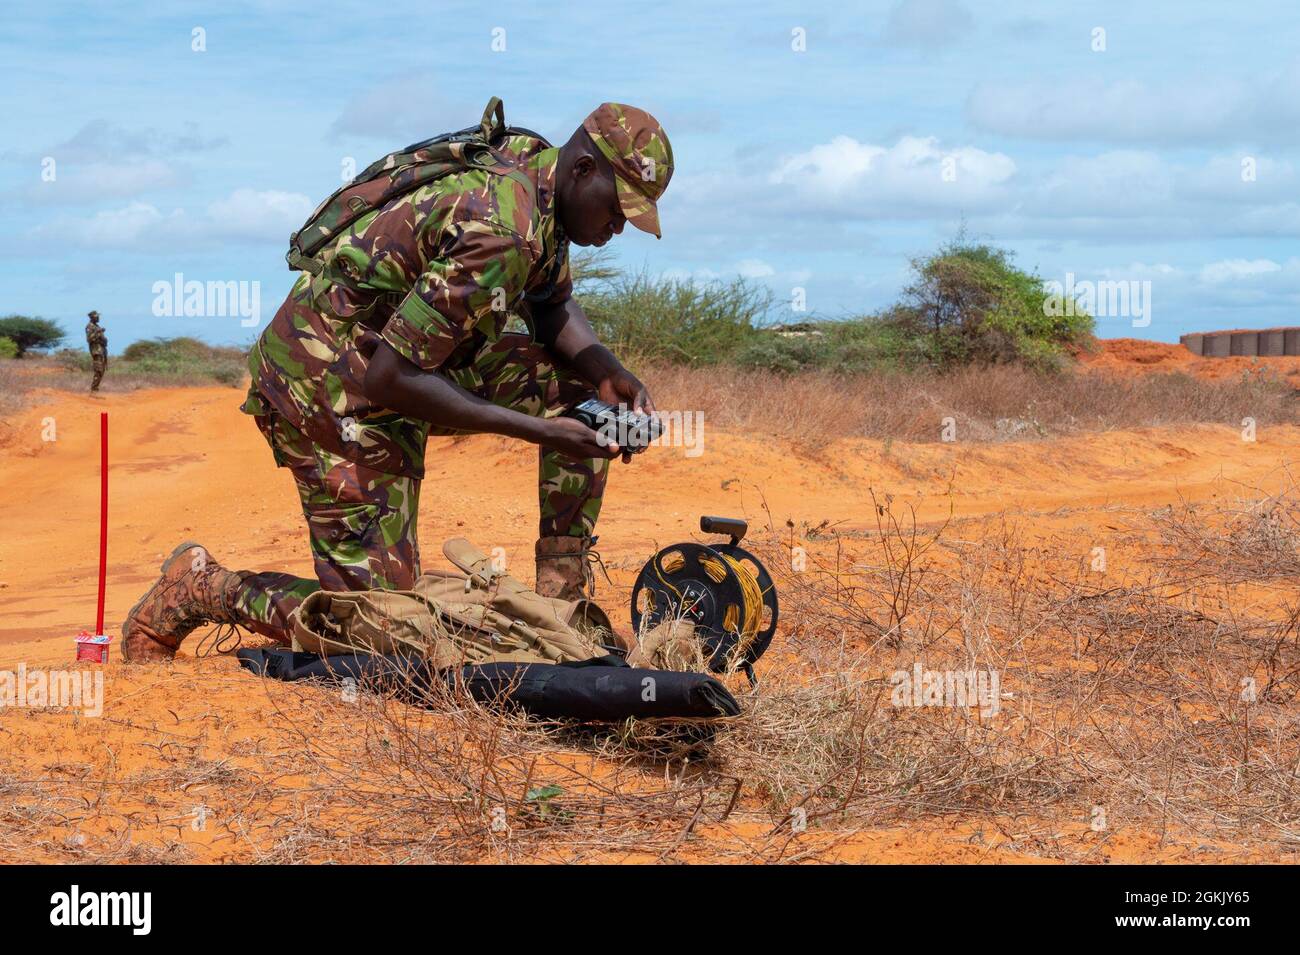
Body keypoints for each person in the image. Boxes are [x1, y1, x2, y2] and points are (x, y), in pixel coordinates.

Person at [123, 102, 673, 661]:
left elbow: (551, 303)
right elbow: (393, 378)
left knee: (582, 393)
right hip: (330, 384)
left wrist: (607, 370)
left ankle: (560, 610)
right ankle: (200, 587)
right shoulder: (502, 225)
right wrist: (541, 431)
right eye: (618, 207)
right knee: (386, 632)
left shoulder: (538, 175)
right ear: (583, 169)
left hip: (403, 362)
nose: (619, 226)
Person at [85, 310, 107, 392]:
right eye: (97, 316)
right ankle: (94, 390)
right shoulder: (89, 327)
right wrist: (98, 332)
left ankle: (95, 389)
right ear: (93, 317)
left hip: (101, 350)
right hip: (96, 351)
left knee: (102, 371)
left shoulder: (97, 326)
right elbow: (89, 339)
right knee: (98, 370)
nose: (98, 318)